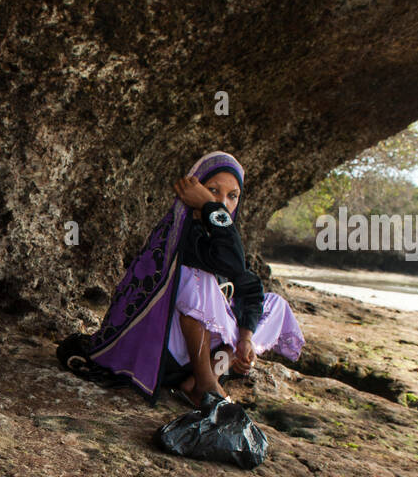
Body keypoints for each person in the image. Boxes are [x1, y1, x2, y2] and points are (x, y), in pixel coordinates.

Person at [59, 151, 304, 404]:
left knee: (276, 305)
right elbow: (229, 261)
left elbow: (248, 286)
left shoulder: (220, 237)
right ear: (193, 193)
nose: (222, 202)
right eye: (212, 191)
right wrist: (212, 208)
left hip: (205, 352)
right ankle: (206, 382)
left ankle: (205, 377)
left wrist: (245, 339)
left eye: (232, 197)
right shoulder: (178, 235)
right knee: (198, 277)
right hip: (163, 345)